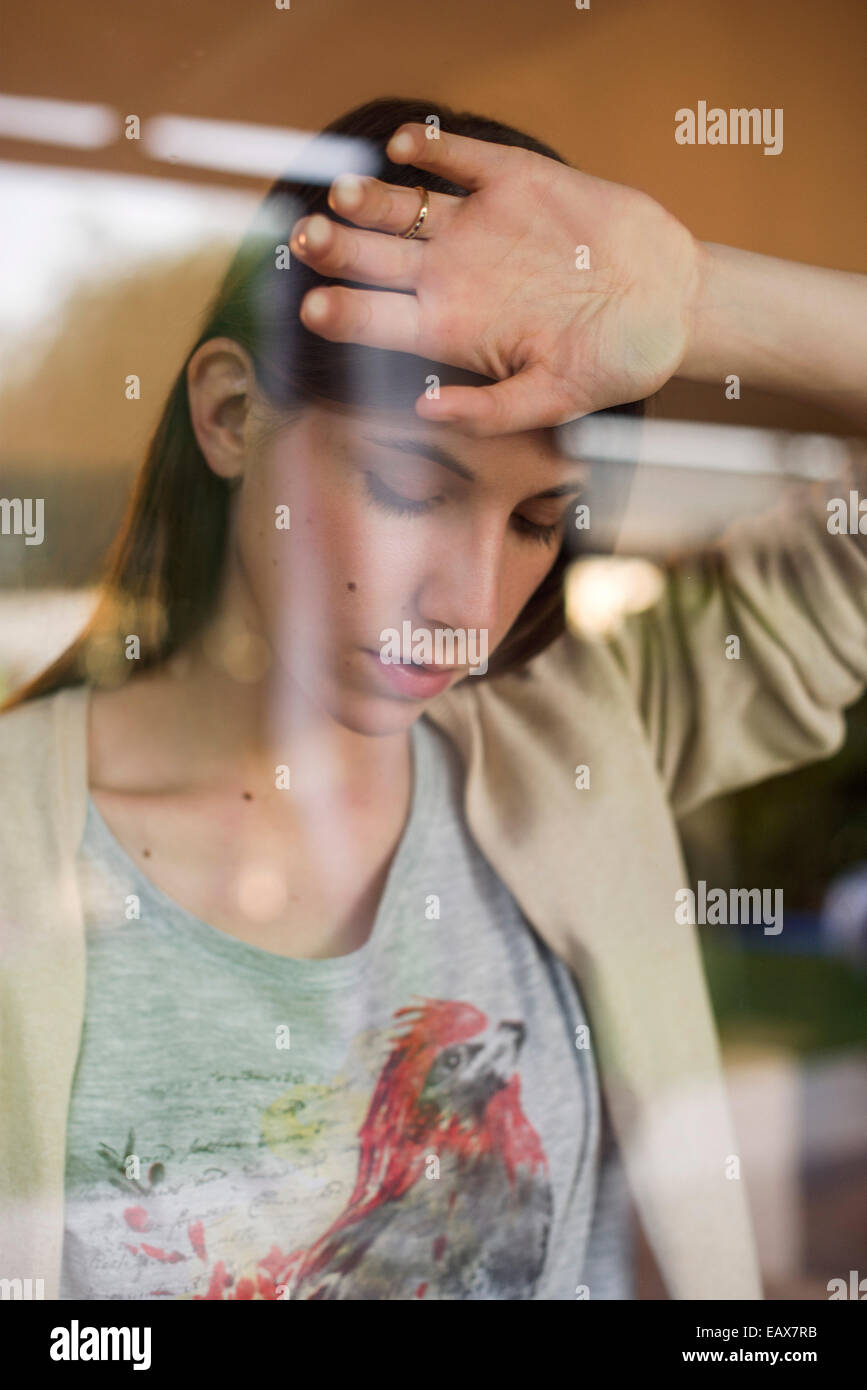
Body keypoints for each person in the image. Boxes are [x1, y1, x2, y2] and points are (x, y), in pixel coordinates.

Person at [0, 96, 865, 1302]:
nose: (464, 607)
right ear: (232, 414)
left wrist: (689, 298)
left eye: (534, 523)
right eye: (413, 486)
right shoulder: (19, 852)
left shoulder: (577, 738)